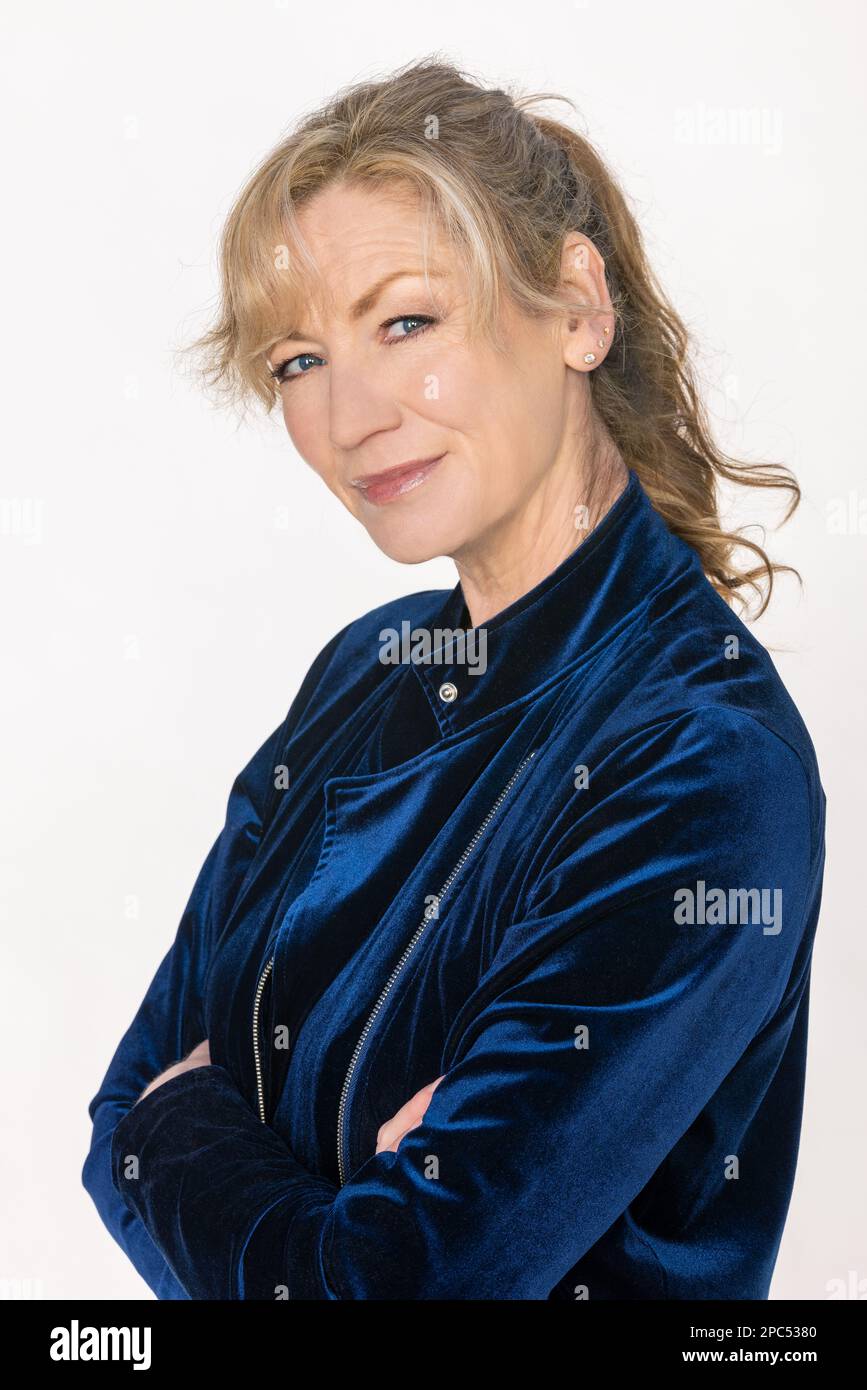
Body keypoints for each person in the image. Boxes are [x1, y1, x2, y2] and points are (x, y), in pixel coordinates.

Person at [82, 57, 826, 1300]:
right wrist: (285, 1169)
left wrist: (186, 1127)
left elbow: (399, 1287)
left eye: (406, 322)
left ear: (578, 306)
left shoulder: (703, 759)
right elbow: (115, 1106)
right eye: (296, 361)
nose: (349, 413)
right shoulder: (361, 674)